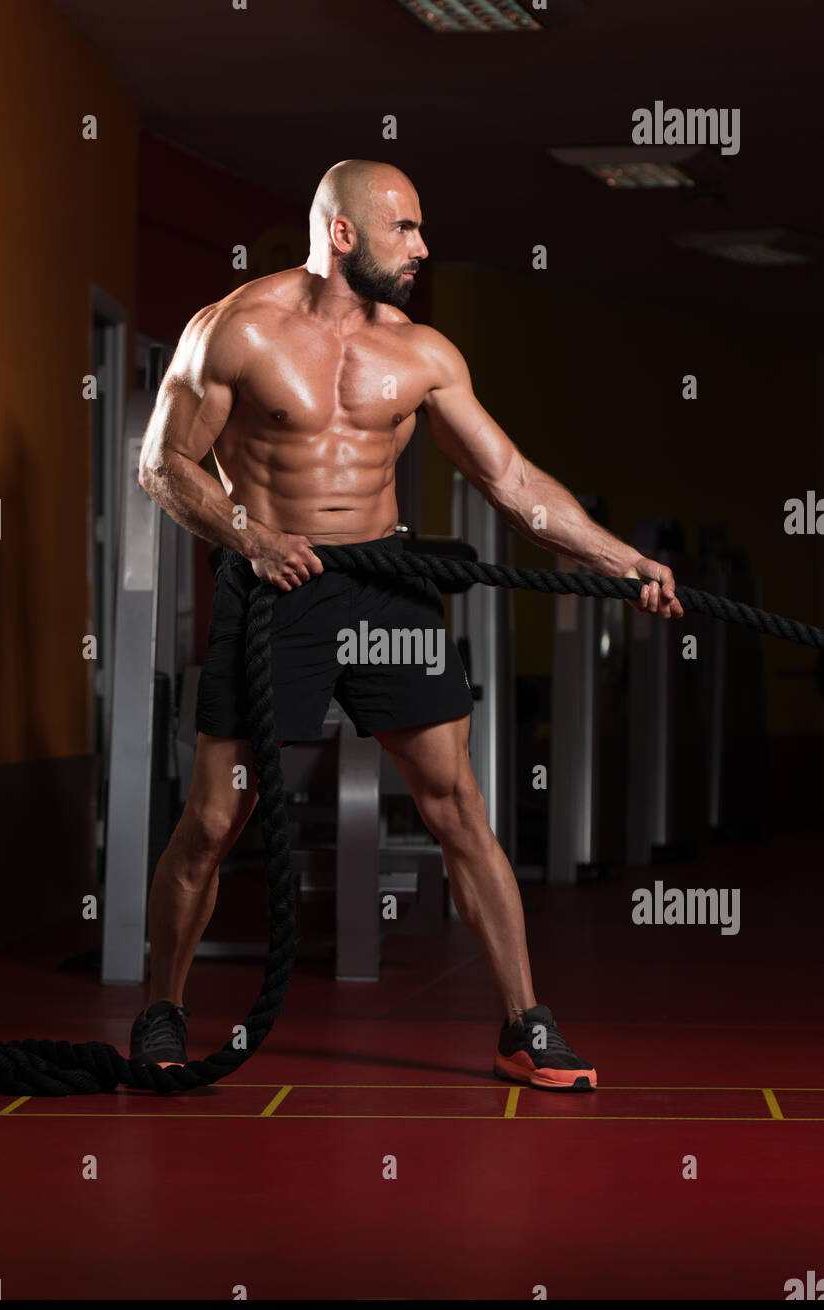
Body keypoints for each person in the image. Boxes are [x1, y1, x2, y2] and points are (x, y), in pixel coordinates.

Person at [130, 159, 683, 1090]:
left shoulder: (423, 353)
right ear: (342, 234)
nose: (422, 247)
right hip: (274, 588)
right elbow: (162, 465)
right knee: (217, 817)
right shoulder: (233, 332)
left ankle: (524, 1025)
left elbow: (510, 482)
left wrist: (617, 560)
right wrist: (250, 535)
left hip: (385, 587)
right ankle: (161, 1008)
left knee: (456, 806)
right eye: (404, 229)